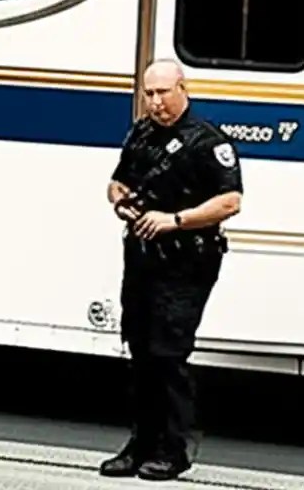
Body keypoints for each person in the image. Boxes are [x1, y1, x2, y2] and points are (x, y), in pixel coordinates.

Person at [100, 58, 244, 482]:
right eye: (149, 94)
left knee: (168, 353)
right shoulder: (142, 133)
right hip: (143, 258)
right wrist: (120, 200)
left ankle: (175, 448)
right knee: (141, 352)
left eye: (163, 92)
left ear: (183, 89)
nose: (156, 102)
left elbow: (230, 201)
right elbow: (117, 181)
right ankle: (139, 444)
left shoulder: (207, 142)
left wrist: (174, 219)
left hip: (187, 260)